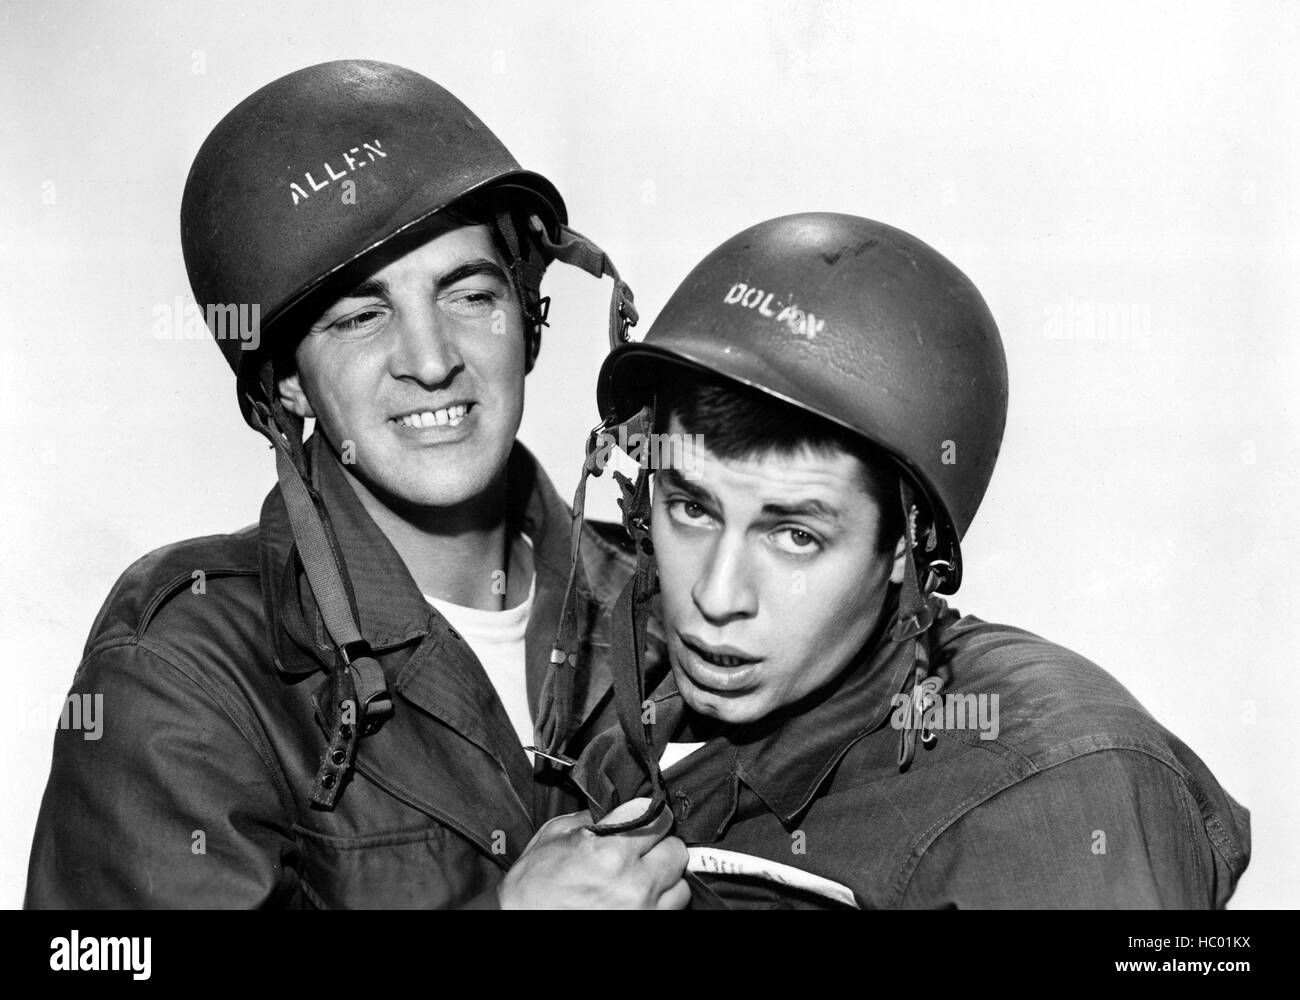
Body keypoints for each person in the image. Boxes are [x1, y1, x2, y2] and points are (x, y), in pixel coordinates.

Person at [25, 59, 687, 910]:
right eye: (360, 317)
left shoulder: (672, 611)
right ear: (290, 384)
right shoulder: (188, 665)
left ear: (527, 319)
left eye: (470, 293)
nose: (431, 360)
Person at [567, 212, 1251, 908]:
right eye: (693, 509)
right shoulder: (631, 728)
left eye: (796, 536)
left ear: (905, 546)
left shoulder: (1059, 787)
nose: (716, 596)